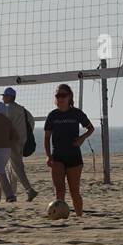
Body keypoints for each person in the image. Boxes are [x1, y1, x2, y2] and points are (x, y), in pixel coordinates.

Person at [44, 83, 95, 217]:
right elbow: (46, 137)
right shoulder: (52, 116)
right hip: (58, 157)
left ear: (69, 97)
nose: (60, 98)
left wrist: (82, 138)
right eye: (58, 95)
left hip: (74, 157)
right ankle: (59, 216)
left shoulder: (76, 113)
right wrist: (49, 156)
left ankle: (79, 217)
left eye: (63, 95)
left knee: (74, 191)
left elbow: (91, 128)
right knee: (60, 190)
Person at [0, 87, 39, 201]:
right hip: (23, 140)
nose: (3, 98)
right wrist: (25, 134)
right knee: (12, 167)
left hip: (11, 141)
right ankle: (12, 194)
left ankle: (29, 190)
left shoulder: (7, 109)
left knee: (17, 166)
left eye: (4, 96)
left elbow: (3, 124)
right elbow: (31, 121)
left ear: (10, 97)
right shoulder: (22, 109)